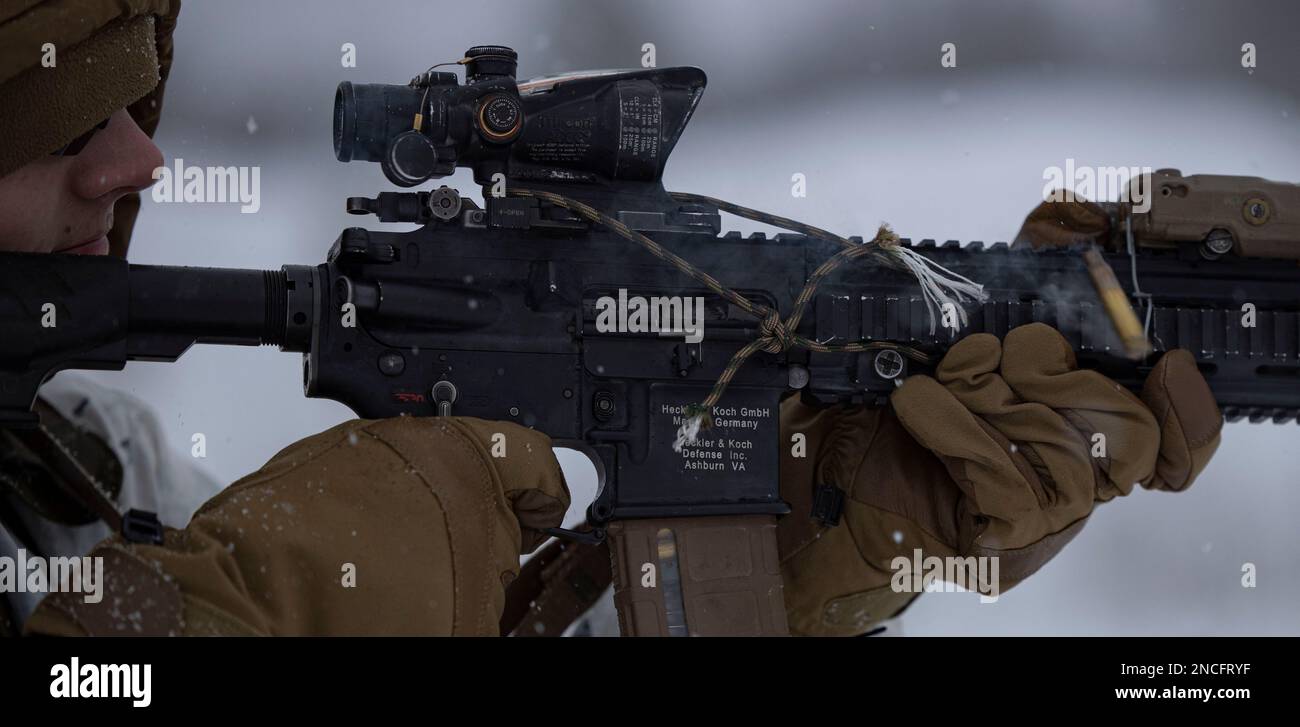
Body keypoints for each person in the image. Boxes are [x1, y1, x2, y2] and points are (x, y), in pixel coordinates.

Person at [1, 1, 1221, 637]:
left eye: (132, 106)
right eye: (62, 125)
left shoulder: (84, 467)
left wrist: (824, 546)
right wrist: (320, 585)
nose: (141, 163)